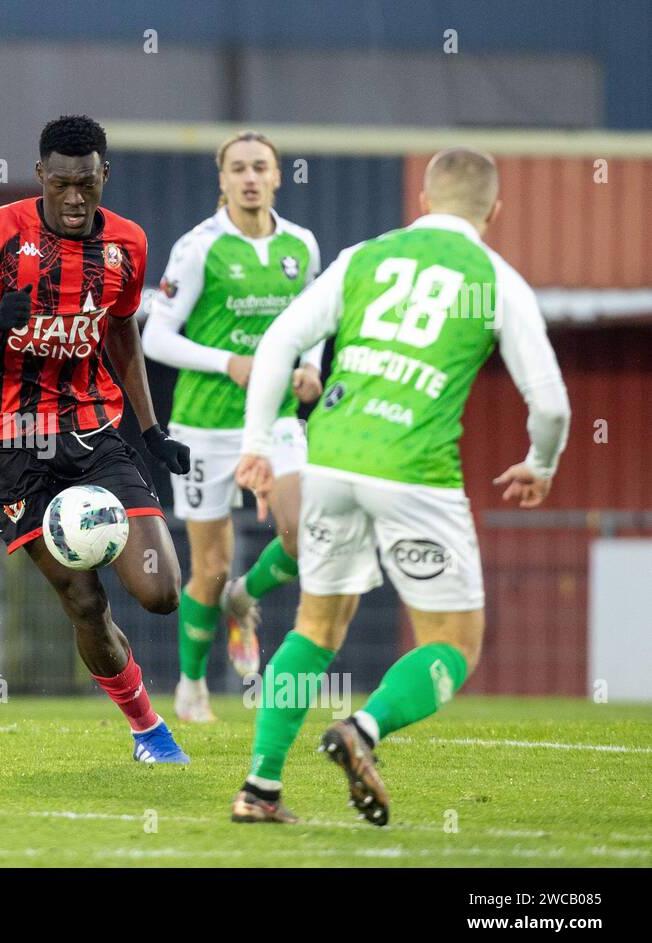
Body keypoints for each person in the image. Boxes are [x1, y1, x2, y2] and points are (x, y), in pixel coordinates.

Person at [231, 147, 570, 823]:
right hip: (414, 473)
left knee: (315, 626)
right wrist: (542, 463)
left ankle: (260, 788)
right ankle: (364, 728)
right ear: (493, 213)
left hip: (330, 457)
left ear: (422, 200)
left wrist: (257, 445)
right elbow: (554, 406)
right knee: (454, 640)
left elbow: (277, 344)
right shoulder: (498, 279)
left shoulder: (365, 255)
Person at [0, 114, 193, 764]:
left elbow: (122, 331)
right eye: (62, 184)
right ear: (42, 176)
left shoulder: (128, 244)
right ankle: (148, 730)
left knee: (160, 591)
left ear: (105, 176)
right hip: (10, 441)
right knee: (84, 599)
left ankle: (147, 713)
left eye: (88, 183)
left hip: (91, 430)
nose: (75, 198)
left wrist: (151, 430)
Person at [142, 130, 324, 724]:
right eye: (238, 168)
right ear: (221, 180)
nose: (250, 177)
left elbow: (315, 322)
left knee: (302, 537)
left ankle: (244, 599)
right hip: (203, 426)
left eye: (260, 167)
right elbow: (156, 335)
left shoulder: (302, 246)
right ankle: (192, 686)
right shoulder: (199, 248)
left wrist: (310, 368)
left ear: (277, 177)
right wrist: (229, 361)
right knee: (210, 567)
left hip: (274, 420)